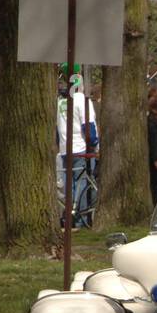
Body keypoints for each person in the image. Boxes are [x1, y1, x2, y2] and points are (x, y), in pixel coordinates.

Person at [55, 77, 98, 224]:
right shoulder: (82, 100)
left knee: (69, 185)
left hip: (65, 148)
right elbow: (89, 126)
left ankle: (70, 218)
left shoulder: (61, 101)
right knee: (82, 182)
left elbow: (58, 127)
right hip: (81, 148)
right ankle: (81, 219)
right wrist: (94, 143)